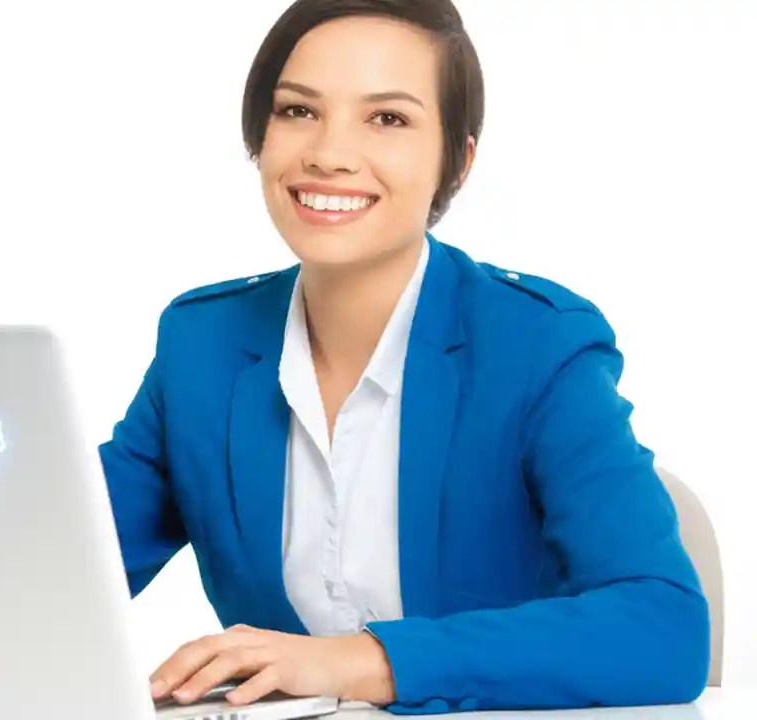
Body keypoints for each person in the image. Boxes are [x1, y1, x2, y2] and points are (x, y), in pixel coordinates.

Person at [97, 0, 710, 714]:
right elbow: (55, 563)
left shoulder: (536, 346)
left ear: (459, 157)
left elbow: (664, 631)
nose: (328, 152)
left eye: (387, 118)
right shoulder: (201, 345)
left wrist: (361, 661)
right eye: (298, 111)